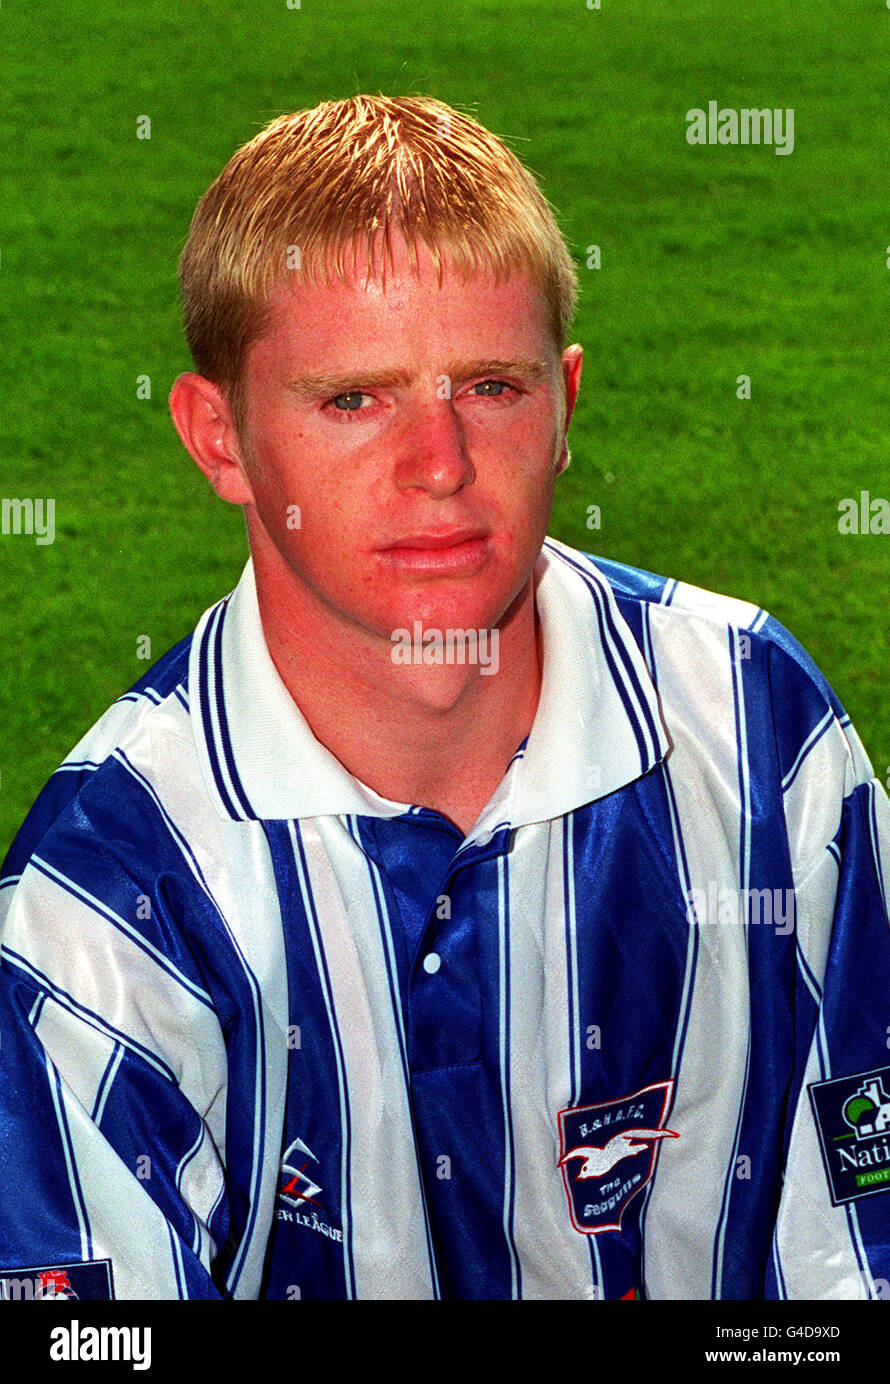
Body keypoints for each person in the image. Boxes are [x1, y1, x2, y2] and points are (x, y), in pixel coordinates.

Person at [1, 94, 889, 1303]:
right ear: (219, 439)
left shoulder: (758, 735)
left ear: (565, 400)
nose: (440, 464)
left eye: (489, 387)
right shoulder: (106, 900)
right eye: (353, 399)